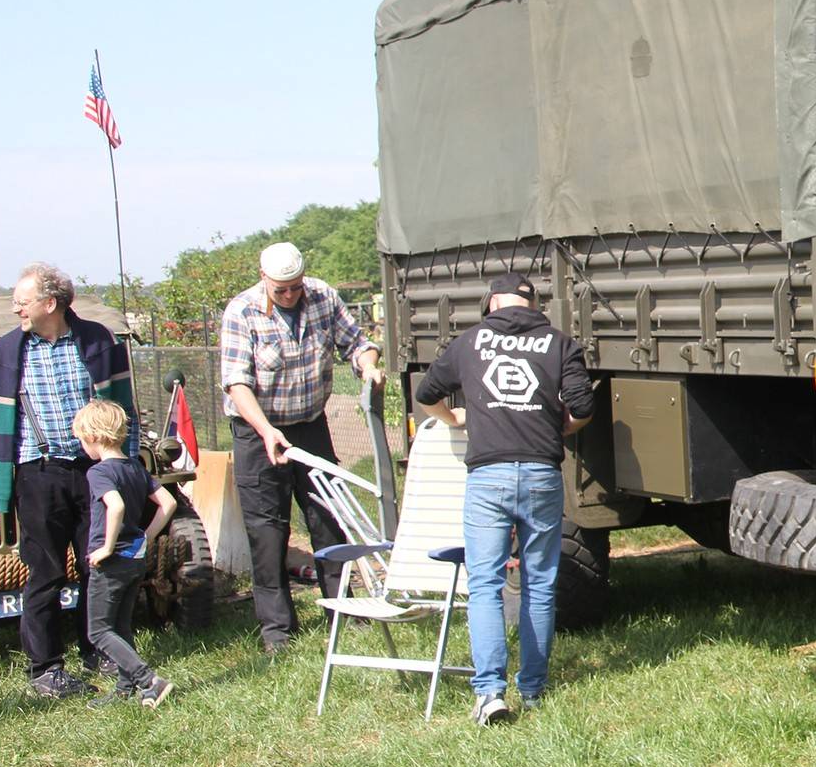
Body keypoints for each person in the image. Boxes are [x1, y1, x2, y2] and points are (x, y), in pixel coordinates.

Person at [414, 272, 593, 726]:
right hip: (541, 475)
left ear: (491, 303)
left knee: (486, 587)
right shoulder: (559, 343)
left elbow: (426, 394)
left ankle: (490, 692)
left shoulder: (468, 341)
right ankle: (532, 689)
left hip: (487, 476)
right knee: (540, 583)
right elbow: (583, 409)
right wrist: (557, 428)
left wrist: (454, 419)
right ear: (533, 305)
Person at [219, 241, 383, 653]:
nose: (290, 295)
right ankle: (277, 629)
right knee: (267, 529)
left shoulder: (324, 296)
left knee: (328, 516)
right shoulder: (241, 311)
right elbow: (237, 383)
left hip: (310, 426)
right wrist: (265, 430)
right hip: (258, 432)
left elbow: (358, 342)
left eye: (295, 287)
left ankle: (344, 609)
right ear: (264, 280)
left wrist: (368, 364)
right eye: (281, 290)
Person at [0, 263, 137, 698]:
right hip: (38, 473)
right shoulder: (8, 350)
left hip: (94, 471)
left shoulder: (98, 341)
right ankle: (45, 669)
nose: (16, 308)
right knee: (45, 572)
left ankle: (99, 650)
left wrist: (125, 470)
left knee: (99, 565)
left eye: (23, 301)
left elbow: (122, 411)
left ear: (50, 303)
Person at [74, 399, 178, 710]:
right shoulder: (135, 466)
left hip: (112, 560)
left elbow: (115, 506)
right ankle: (124, 688)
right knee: (120, 626)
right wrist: (146, 534)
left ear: (94, 437)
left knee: (98, 630)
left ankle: (148, 680)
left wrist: (106, 547)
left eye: (81, 439)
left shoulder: (99, 472)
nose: (82, 446)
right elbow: (168, 503)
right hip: (135, 557)